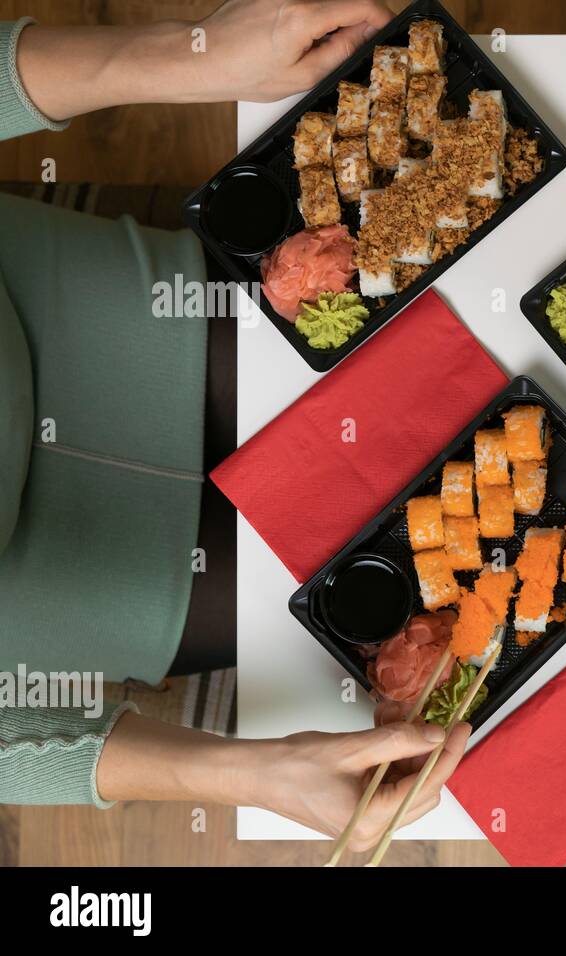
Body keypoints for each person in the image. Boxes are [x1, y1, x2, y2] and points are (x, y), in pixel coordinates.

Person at [0, 0, 469, 851]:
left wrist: (192, 57)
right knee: (425, 608)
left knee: (436, 343)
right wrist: (248, 772)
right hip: (89, 583)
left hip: (77, 312)